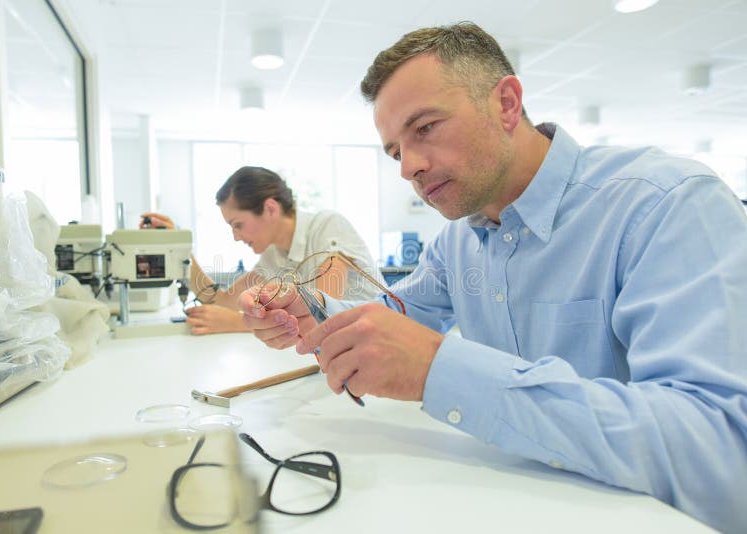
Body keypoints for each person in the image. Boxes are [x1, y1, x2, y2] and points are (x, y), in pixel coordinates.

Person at [240, 22, 747, 533]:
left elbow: (721, 448)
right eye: (395, 151)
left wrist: (440, 371)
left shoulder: (666, 205)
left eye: (426, 127)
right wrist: (316, 309)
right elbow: (398, 310)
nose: (408, 168)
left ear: (506, 104)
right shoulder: (460, 239)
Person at [141, 166, 382, 335]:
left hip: (379, 347)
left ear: (269, 208)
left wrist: (238, 323)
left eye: (238, 225)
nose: (236, 237)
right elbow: (222, 301)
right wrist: (178, 247)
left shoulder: (327, 226)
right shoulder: (273, 255)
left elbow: (324, 315)